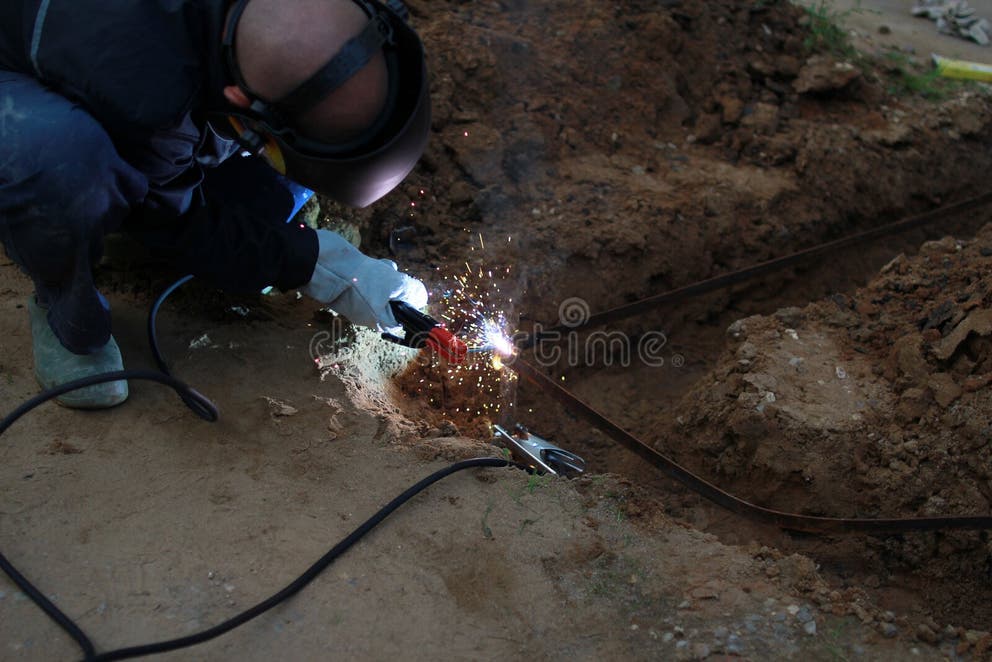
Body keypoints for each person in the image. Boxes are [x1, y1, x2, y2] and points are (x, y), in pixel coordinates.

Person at [0, 0, 431, 409]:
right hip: (22, 76)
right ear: (238, 99)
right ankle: (67, 314)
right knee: (64, 163)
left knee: (267, 195)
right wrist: (320, 268)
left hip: (166, 56)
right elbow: (177, 222)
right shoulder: (144, 92)